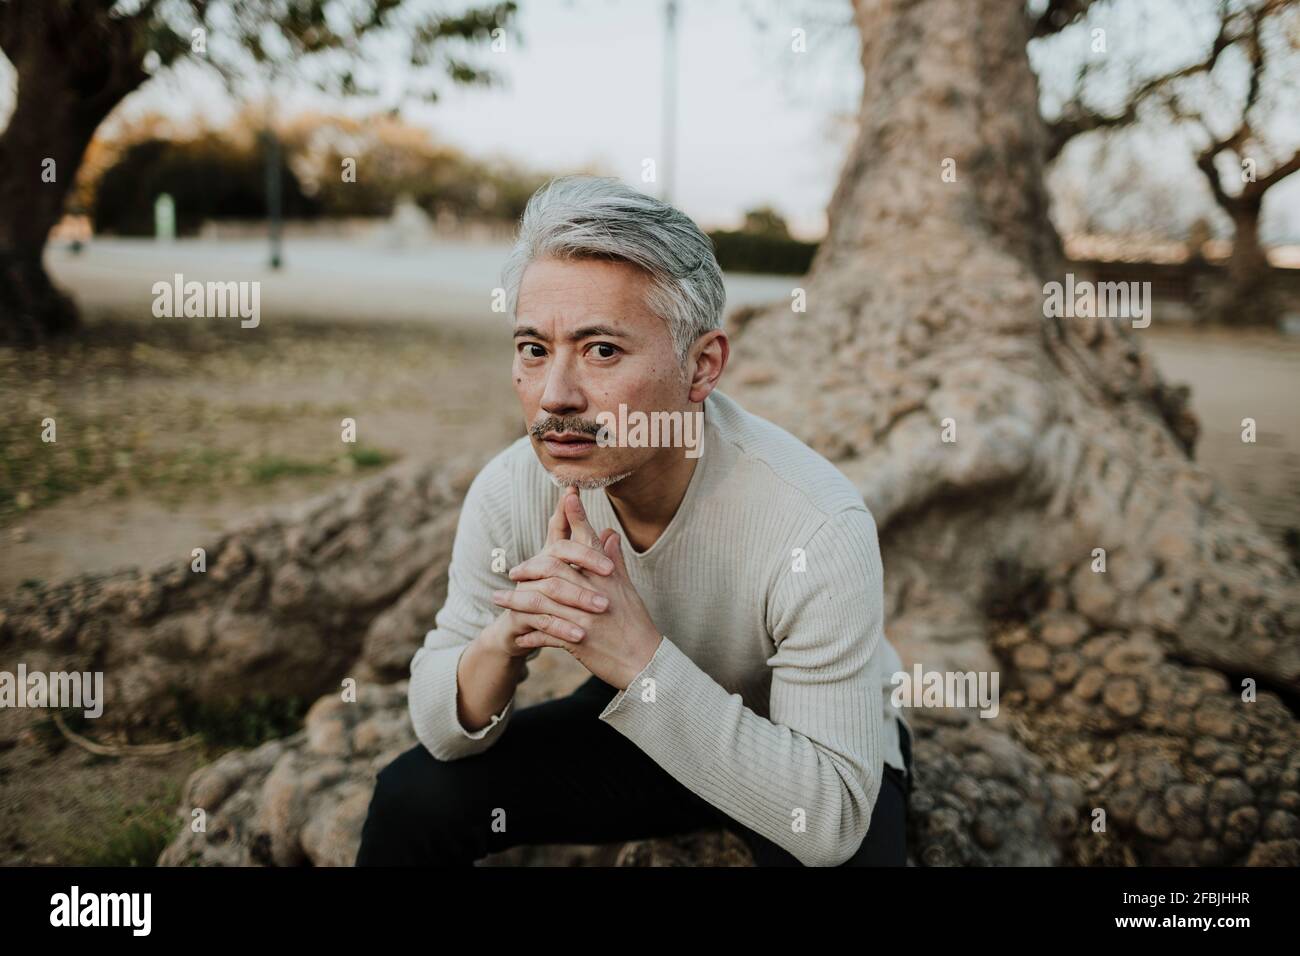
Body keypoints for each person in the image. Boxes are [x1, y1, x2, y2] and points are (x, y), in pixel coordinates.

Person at [355, 175, 913, 867]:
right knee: (412, 799)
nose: (555, 396)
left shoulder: (816, 524)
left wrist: (634, 655)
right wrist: (506, 638)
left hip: (801, 755)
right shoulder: (513, 488)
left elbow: (829, 821)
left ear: (701, 366)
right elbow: (442, 731)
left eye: (602, 351)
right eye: (534, 349)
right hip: (649, 730)